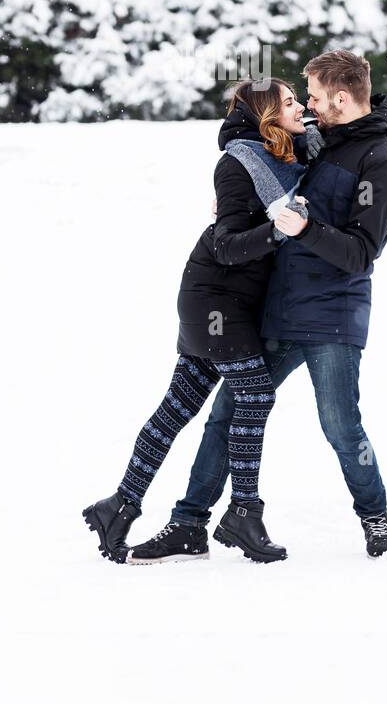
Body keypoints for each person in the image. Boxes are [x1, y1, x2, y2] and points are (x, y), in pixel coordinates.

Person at [129, 48, 387, 561]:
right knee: (228, 412)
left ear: (342, 98)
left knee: (341, 425)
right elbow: (263, 165)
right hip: (278, 308)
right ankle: (189, 522)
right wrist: (238, 209)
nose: (308, 107)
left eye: (318, 98)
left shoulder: (381, 161)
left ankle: (375, 517)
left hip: (333, 315)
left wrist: (304, 229)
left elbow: (361, 252)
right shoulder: (319, 144)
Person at [83, 77, 315, 565]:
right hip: (215, 302)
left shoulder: (289, 153)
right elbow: (228, 244)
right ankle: (244, 513)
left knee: (177, 407)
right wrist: (276, 230)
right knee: (254, 395)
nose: (300, 108)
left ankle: (119, 505)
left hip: (229, 302)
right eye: (289, 102)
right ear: (267, 115)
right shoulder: (237, 165)